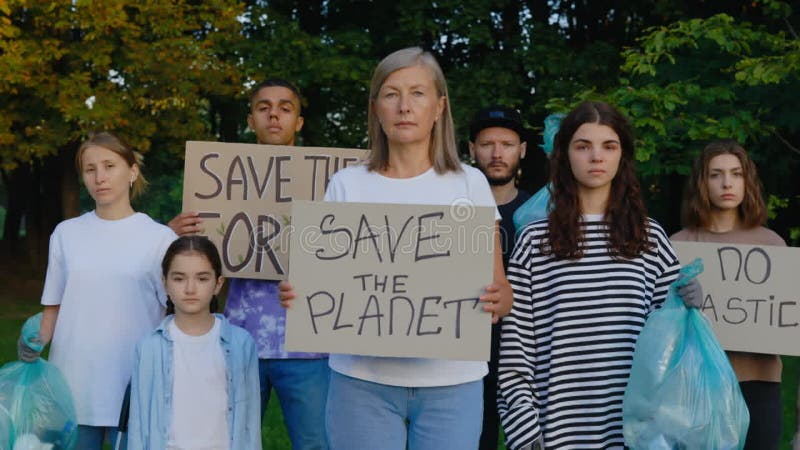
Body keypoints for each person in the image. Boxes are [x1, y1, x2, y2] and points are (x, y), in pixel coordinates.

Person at [279, 47, 514, 450]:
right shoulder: (346, 185)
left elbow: (500, 289)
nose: (404, 106)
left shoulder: (469, 183)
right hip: (361, 382)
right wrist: (300, 292)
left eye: (417, 93)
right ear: (376, 108)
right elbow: (320, 283)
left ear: (439, 106)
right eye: (391, 94)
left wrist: (499, 298)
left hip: (451, 383)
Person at [497, 101, 699, 449]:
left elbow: (673, 352)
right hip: (556, 434)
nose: (596, 157)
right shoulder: (534, 240)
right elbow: (516, 355)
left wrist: (691, 306)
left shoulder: (650, 239)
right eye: (583, 146)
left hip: (635, 436)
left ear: (623, 156)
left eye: (609, 146)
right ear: (565, 155)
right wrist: (526, 435)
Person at [167, 79, 329, 450]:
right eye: (264, 107)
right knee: (226, 441)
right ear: (251, 120)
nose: (274, 115)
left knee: (317, 443)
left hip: (309, 345)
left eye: (285, 108)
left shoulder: (330, 184)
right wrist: (174, 235)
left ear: (299, 122)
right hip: (238, 340)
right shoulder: (221, 182)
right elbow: (194, 264)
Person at [17, 132, 177, 449]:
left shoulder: (160, 239)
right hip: (72, 389)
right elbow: (54, 308)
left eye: (109, 165)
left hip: (135, 389)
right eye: (90, 169)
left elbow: (176, 316)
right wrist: (32, 341)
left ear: (132, 172)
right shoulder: (66, 234)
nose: (99, 177)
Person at [672, 139, 786, 450]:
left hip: (759, 384)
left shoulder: (772, 244)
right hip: (698, 386)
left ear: (747, 181)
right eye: (716, 174)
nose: (727, 183)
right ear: (701, 183)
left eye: (736, 174)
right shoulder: (678, 245)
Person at [127, 235, 261, 449]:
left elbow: (250, 422)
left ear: (218, 283)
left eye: (202, 278)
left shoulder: (241, 344)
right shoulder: (149, 347)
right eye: (179, 279)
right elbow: (138, 423)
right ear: (165, 283)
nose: (190, 289)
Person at [468, 105, 532, 450]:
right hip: (465, 342)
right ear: (471, 150)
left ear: (521, 150)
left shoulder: (540, 213)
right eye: (486, 144)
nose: (496, 153)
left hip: (523, 345)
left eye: (506, 144)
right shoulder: (452, 209)